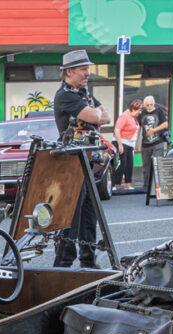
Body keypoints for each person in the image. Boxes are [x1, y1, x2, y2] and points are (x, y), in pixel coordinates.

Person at [52, 49, 111, 268]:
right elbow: (95, 116)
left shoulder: (83, 93)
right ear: (69, 72)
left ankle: (89, 262)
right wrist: (95, 114)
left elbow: (106, 115)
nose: (87, 73)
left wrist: (96, 114)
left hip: (87, 162)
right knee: (71, 217)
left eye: (88, 68)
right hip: (71, 163)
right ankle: (63, 266)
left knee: (89, 214)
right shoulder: (65, 95)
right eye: (83, 69)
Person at [138, 95, 169, 190]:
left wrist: (154, 130)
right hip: (145, 143)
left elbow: (165, 124)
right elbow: (139, 128)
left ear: (154, 104)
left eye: (151, 104)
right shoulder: (142, 113)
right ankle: (146, 186)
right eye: (147, 105)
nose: (149, 106)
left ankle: (158, 185)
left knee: (157, 164)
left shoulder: (159, 111)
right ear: (144, 105)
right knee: (146, 166)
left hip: (158, 142)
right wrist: (137, 143)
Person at [114, 99, 143, 189]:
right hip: (121, 142)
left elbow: (136, 131)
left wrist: (136, 144)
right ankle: (114, 185)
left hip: (129, 144)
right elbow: (117, 130)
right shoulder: (124, 116)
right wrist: (119, 145)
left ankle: (128, 184)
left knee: (129, 165)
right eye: (139, 110)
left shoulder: (134, 117)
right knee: (121, 164)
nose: (140, 112)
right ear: (134, 109)